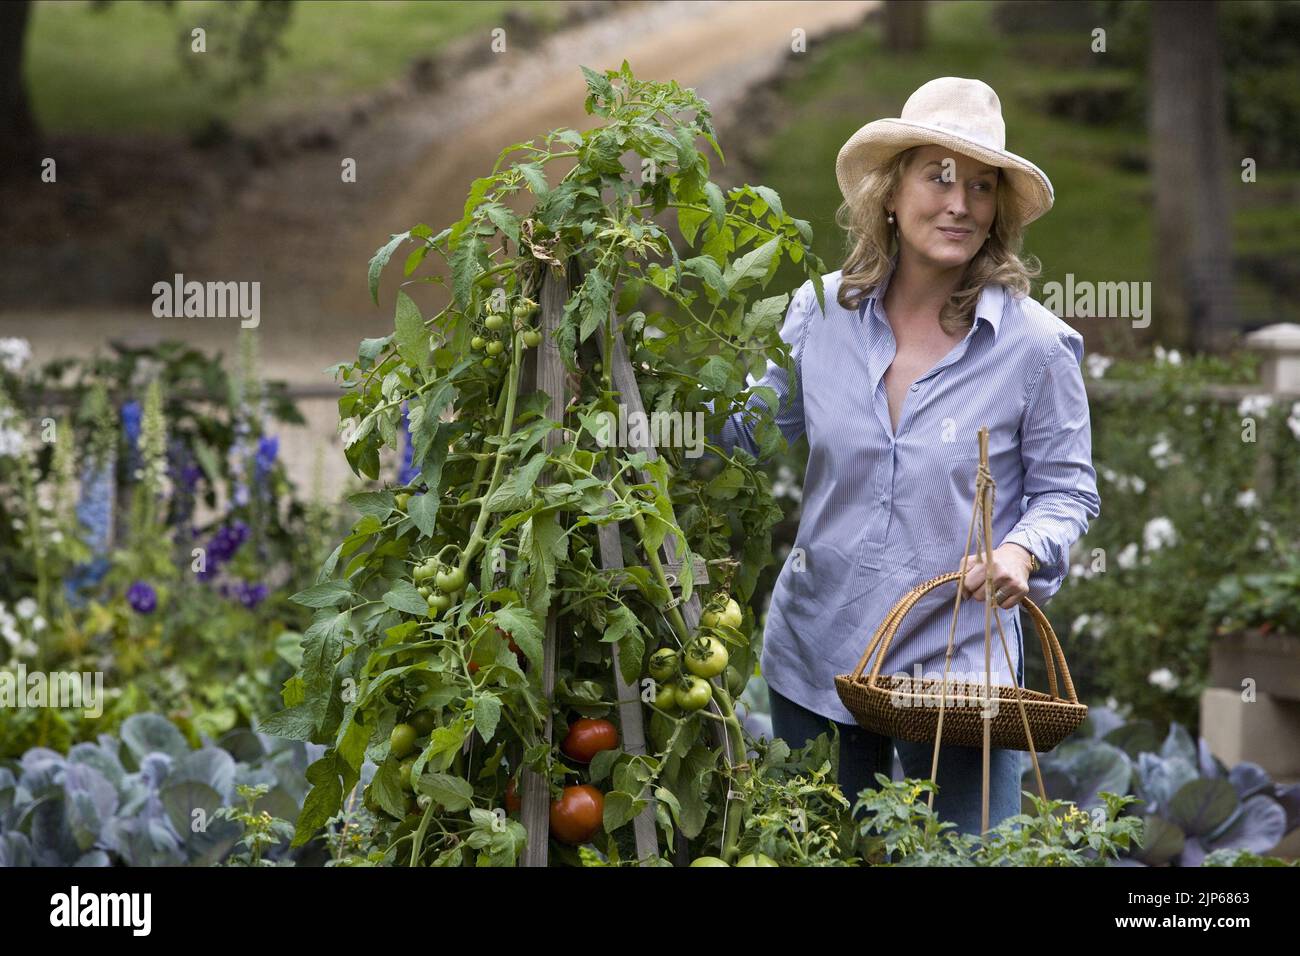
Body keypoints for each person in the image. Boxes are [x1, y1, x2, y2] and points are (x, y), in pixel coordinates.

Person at [704, 77, 1100, 836]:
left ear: (997, 213)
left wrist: (1021, 550)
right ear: (889, 193)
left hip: (958, 675)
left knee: (966, 857)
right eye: (939, 177)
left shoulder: (1034, 348)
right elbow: (742, 433)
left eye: (981, 187)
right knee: (818, 849)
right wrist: (641, 401)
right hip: (817, 652)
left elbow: (1067, 493)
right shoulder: (819, 315)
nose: (960, 203)